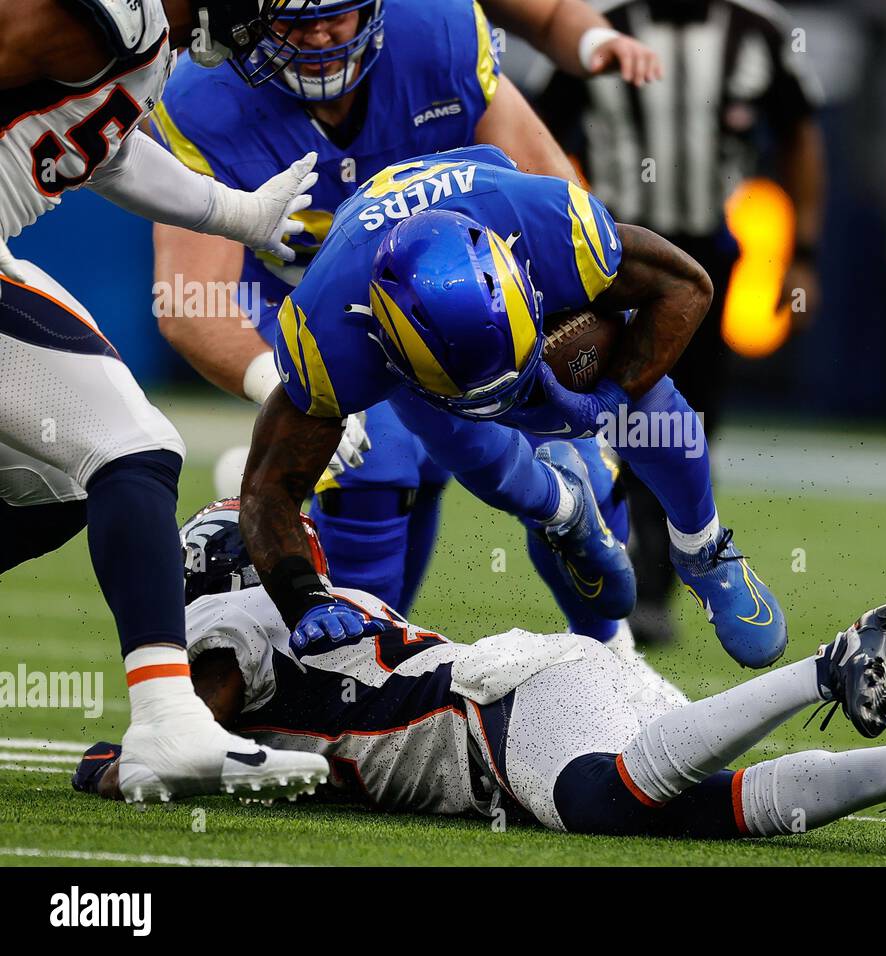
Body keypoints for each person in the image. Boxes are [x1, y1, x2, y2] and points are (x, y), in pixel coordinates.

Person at [74, 497, 886, 854]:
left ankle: (826, 666)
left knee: (604, 800)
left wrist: (119, 765)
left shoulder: (227, 616)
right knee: (694, 811)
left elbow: (196, 733)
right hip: (539, 682)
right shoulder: (300, 605)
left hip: (496, 708)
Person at [150, 0, 663, 625]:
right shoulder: (205, 96)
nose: (317, 34)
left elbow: (552, 194)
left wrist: (561, 312)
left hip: (460, 290)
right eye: (295, 19)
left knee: (580, 459)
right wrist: (281, 390)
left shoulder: (434, 33)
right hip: (306, 304)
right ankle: (359, 674)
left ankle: (611, 655)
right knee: (375, 466)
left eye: (337, 14)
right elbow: (189, 301)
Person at [239, 145, 789, 669]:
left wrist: (612, 396)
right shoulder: (331, 336)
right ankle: (559, 508)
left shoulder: (549, 225)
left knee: (642, 398)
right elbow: (268, 490)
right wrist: (305, 597)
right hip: (400, 323)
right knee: (461, 443)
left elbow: (686, 285)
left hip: (501, 253)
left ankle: (704, 547)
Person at [0, 0, 335, 803]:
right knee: (131, 445)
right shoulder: (114, 11)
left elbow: (102, 150)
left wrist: (237, 213)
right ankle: (165, 720)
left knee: (56, 489)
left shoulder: (145, 38)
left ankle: (166, 720)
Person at [533, 0, 826, 646]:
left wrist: (802, 252)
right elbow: (535, 132)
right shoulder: (595, 21)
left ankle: (660, 581)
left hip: (705, 263)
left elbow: (801, 133)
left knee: (689, 420)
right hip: (613, 259)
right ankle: (620, 578)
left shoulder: (758, 31)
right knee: (612, 422)